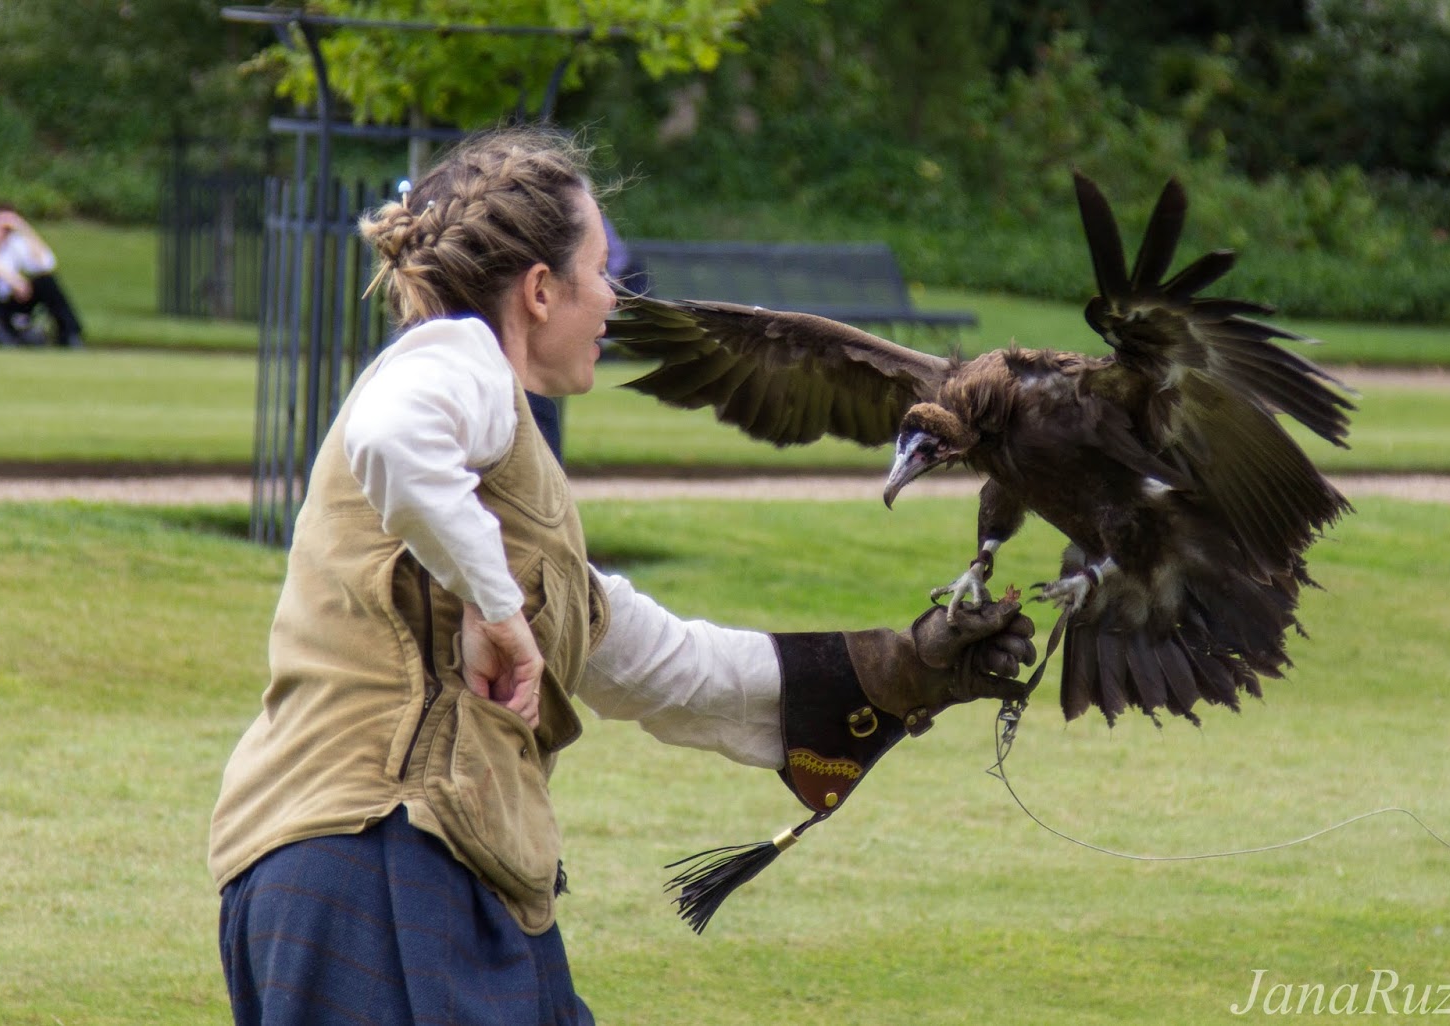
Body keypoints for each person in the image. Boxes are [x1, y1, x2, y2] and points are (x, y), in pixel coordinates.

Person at [208, 126, 1038, 1026]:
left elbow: (648, 658)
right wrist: (497, 612)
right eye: (601, 271)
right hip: (378, 860)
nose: (613, 298)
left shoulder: (507, 467)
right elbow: (390, 441)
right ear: (538, 291)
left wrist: (894, 669)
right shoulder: (456, 359)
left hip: (423, 865)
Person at [0, 203, 85, 348]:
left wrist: (23, 228)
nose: (4, 233)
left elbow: (46, 264)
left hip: (6, 303)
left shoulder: (13, 244)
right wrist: (15, 280)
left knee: (46, 281)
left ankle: (68, 334)